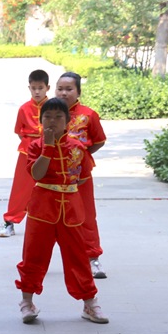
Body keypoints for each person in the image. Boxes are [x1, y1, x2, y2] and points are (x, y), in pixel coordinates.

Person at [15, 97, 109, 324]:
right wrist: (47, 147)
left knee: (78, 258)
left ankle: (90, 304)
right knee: (33, 257)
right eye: (47, 117)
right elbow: (36, 175)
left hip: (71, 211)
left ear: (67, 121)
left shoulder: (78, 148)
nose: (52, 121)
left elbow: (84, 180)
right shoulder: (35, 146)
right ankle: (27, 302)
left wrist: (83, 212)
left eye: (58, 117)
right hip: (42, 210)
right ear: (40, 120)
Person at [55, 71, 107, 278]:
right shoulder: (49, 112)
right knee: (49, 219)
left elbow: (99, 140)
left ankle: (93, 258)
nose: (64, 93)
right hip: (53, 178)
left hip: (80, 178)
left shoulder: (89, 115)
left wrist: (81, 156)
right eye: (60, 88)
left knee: (86, 216)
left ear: (78, 91)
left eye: (69, 89)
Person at [0, 69, 50, 238]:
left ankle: (51, 222)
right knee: (21, 187)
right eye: (33, 88)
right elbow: (19, 131)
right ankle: (10, 221)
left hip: (50, 149)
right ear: (29, 88)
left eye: (40, 88)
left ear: (47, 88)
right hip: (27, 151)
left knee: (51, 186)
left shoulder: (53, 106)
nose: (37, 91)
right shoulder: (24, 109)